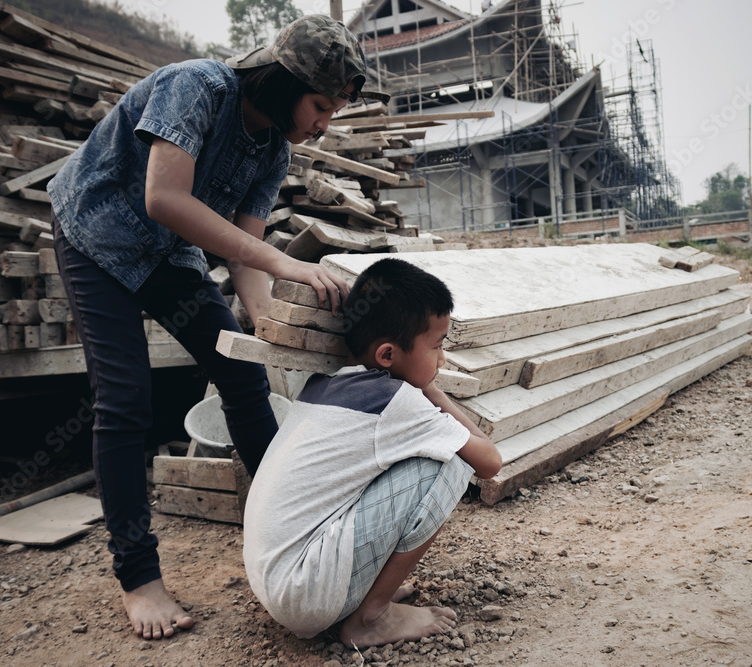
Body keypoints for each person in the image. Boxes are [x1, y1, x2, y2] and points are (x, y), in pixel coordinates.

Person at [46, 15, 388, 640]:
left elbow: (244, 253)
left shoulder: (275, 149)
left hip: (167, 256)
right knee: (125, 397)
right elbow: (165, 199)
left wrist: (271, 328)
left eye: (334, 111)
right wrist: (288, 264)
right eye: (320, 106)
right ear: (284, 82)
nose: (323, 125)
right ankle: (139, 578)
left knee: (243, 375)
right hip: (96, 234)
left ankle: (292, 531)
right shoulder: (197, 87)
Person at [243, 258, 502, 648]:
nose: (442, 358)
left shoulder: (323, 385)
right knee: (451, 461)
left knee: (429, 453)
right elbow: (488, 461)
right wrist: (431, 390)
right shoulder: (395, 402)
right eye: (436, 346)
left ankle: (358, 595)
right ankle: (371, 617)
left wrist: (423, 377)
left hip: (279, 581)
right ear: (386, 355)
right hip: (303, 592)